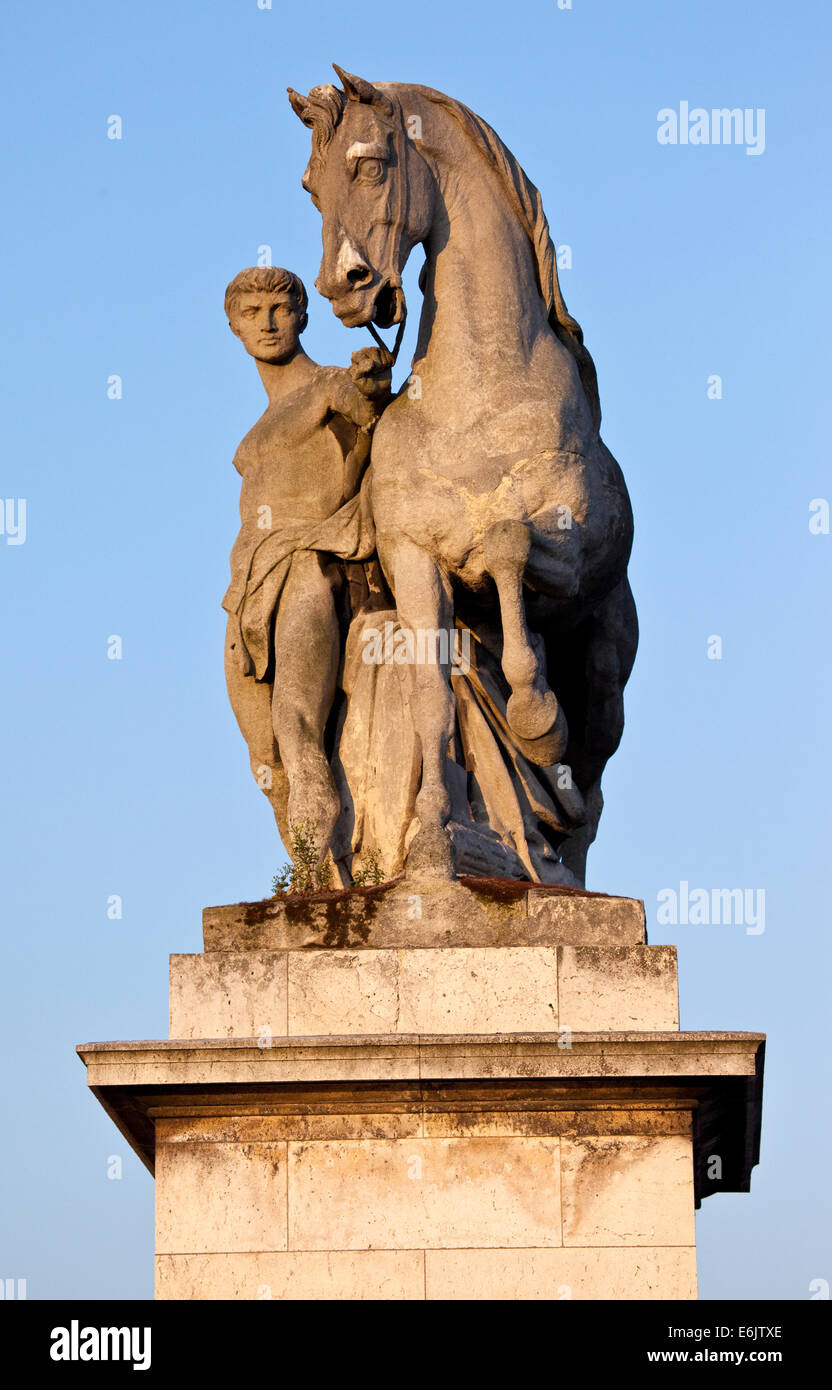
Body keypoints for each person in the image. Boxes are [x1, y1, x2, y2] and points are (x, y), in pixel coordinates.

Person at [222, 265, 391, 864]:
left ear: (302, 315)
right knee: (265, 758)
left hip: (310, 564)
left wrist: (372, 382)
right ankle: (318, 878)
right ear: (234, 327)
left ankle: (319, 900)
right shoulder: (255, 431)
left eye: (280, 309)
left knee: (297, 726)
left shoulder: (328, 385)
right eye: (252, 313)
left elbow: (383, 424)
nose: (267, 323)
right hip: (247, 587)